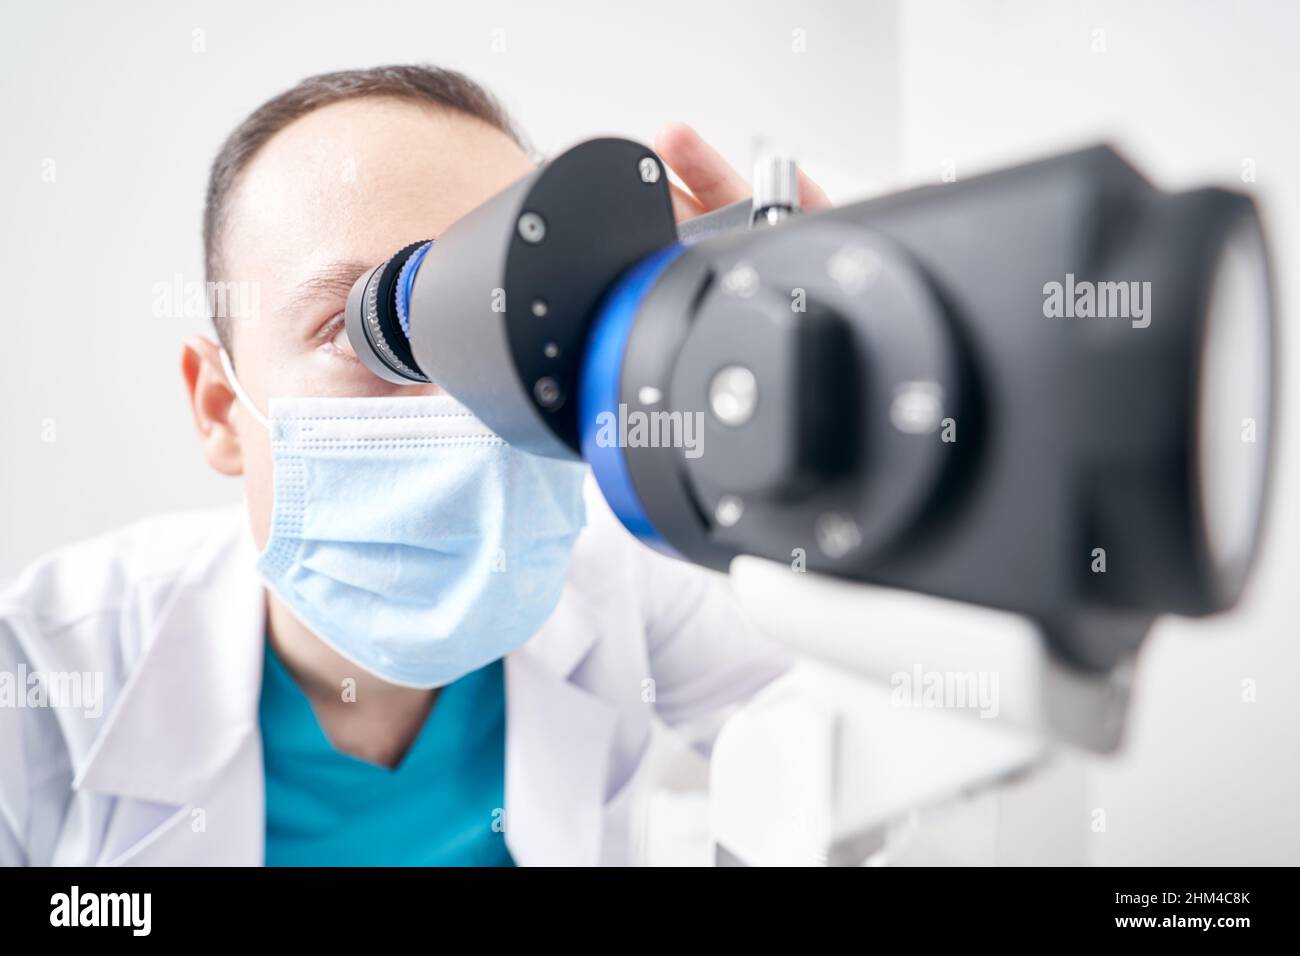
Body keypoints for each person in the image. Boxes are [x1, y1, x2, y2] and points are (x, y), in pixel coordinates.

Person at [0, 65, 830, 866]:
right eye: (377, 326)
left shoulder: (628, 584)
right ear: (220, 407)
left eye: (493, 322)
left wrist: (838, 454)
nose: (460, 398)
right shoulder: (46, 666)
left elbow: (864, 773)